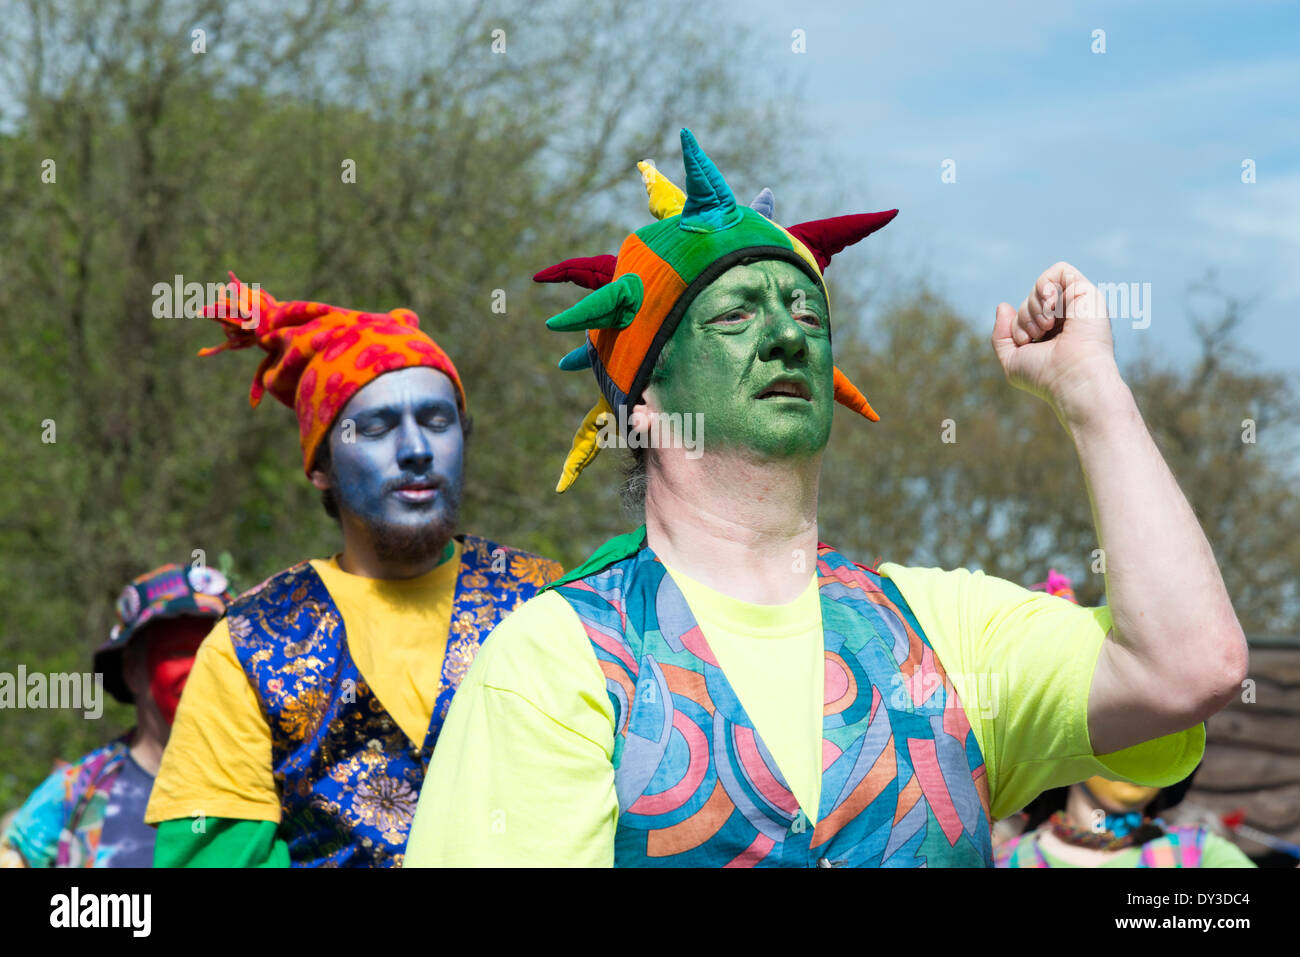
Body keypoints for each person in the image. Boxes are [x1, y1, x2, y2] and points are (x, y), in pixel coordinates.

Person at [405, 129, 1248, 868]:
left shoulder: (945, 632)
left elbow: (1188, 665)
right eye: (735, 316)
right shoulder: (559, 659)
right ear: (646, 402)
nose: (786, 333)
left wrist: (1092, 394)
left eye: (808, 311)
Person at [144, 279, 563, 867]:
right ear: (320, 466)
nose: (416, 448)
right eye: (377, 427)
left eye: (438, 421)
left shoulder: (547, 601)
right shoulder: (250, 642)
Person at [994, 570, 1253, 867]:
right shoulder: (1003, 862)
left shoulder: (1202, 856)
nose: (1138, 747)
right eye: (1122, 727)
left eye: (1160, 736)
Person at [1, 564, 232, 867]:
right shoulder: (72, 796)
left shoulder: (279, 778)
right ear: (133, 671)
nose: (200, 669)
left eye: (212, 651)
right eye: (177, 652)